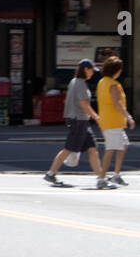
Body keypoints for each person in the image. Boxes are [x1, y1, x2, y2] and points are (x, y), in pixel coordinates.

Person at [44, 59, 114, 190]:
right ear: (86, 69)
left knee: (92, 148)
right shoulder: (80, 84)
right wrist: (97, 117)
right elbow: (84, 104)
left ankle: (101, 179)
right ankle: (51, 173)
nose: (93, 73)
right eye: (92, 70)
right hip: (78, 120)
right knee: (69, 148)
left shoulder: (74, 82)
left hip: (80, 120)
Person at [96, 55, 134, 186]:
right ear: (116, 70)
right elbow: (117, 103)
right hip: (113, 122)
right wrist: (129, 117)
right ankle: (101, 178)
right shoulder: (113, 84)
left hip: (109, 121)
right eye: (120, 69)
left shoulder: (102, 82)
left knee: (124, 144)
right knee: (110, 149)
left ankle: (116, 174)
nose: (121, 72)